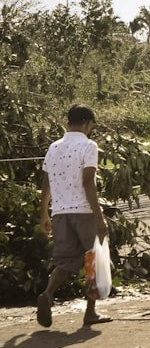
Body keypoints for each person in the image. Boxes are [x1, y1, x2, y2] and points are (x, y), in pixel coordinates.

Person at [37, 105, 111, 329]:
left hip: (60, 212)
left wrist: (44, 215)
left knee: (66, 263)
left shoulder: (54, 147)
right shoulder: (89, 146)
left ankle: (48, 294)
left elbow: (45, 184)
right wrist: (99, 217)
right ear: (88, 124)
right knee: (94, 261)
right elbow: (88, 182)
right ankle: (90, 312)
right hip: (84, 212)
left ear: (69, 122)